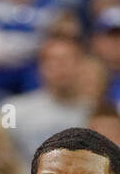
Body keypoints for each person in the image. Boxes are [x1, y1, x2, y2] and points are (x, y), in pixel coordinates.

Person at [6, 34, 89, 165]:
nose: (61, 67)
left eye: (67, 60)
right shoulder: (12, 109)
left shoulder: (95, 111)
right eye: (53, 61)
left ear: (81, 65)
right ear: (41, 68)